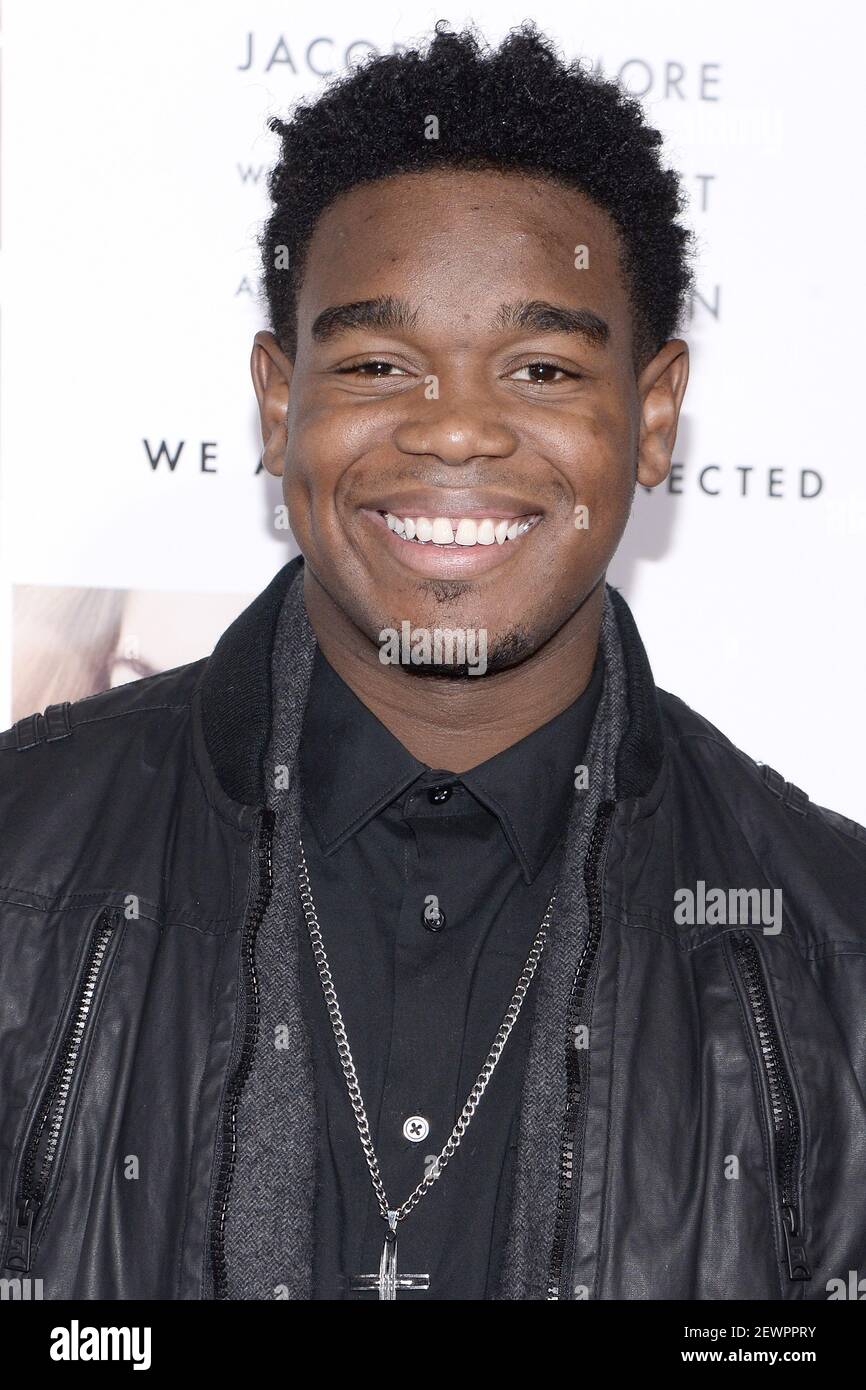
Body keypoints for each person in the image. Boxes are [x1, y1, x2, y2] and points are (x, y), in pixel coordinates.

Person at [1, 22, 863, 1302]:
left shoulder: (831, 949)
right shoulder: (22, 857)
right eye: (377, 364)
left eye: (541, 366)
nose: (455, 425)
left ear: (653, 414)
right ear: (278, 404)